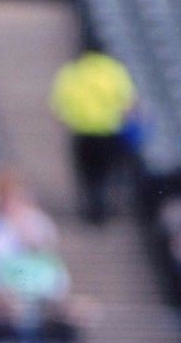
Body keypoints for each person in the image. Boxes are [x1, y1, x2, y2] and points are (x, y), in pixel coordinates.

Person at [49, 43, 137, 225]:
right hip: (108, 131)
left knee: (87, 175)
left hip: (82, 132)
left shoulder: (74, 71)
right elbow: (128, 103)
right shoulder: (114, 70)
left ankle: (91, 210)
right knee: (104, 173)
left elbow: (59, 103)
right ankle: (103, 209)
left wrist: (70, 118)